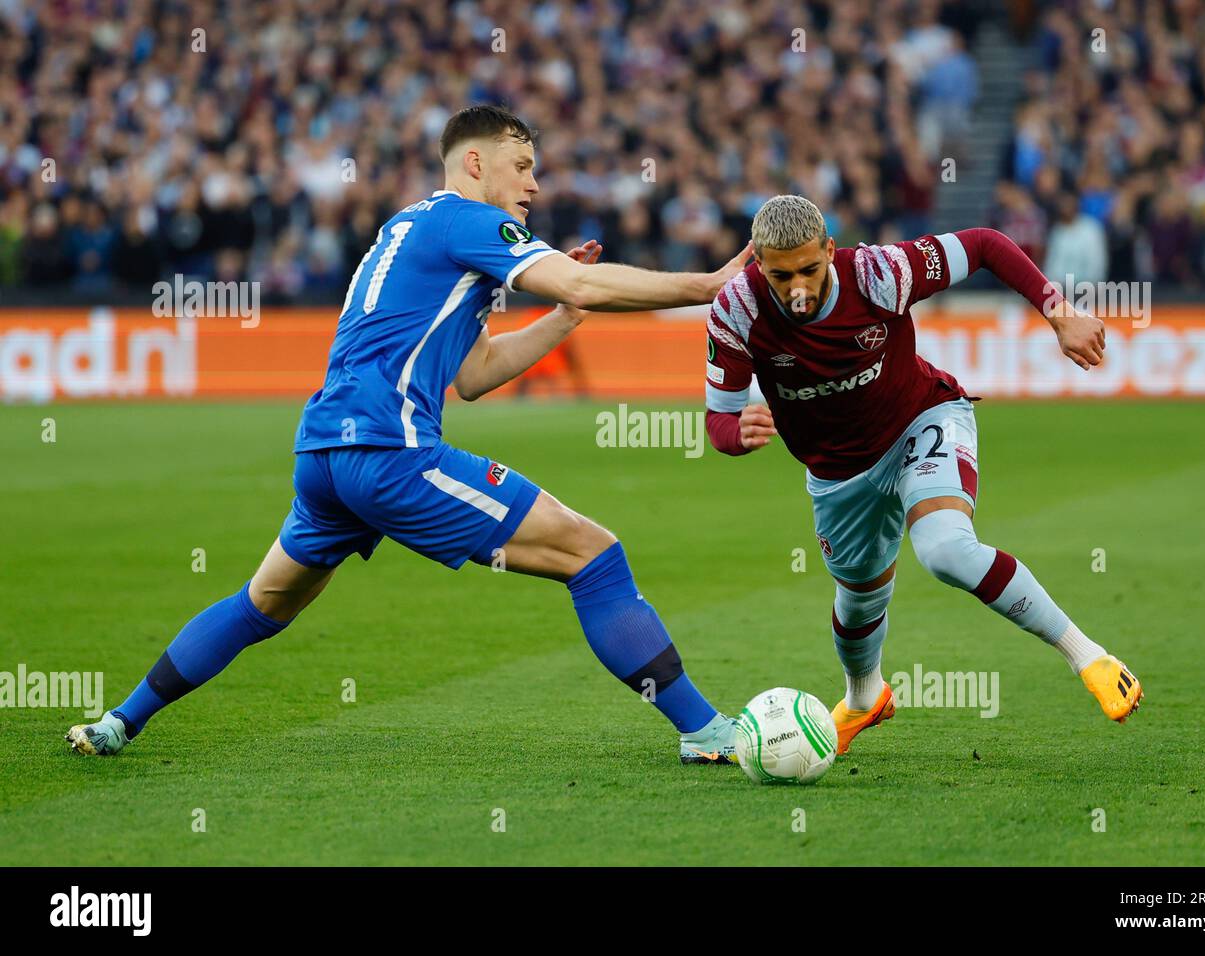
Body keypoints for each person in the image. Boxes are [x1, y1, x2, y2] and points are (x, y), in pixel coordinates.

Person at [67, 105, 752, 766]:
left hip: (323, 457)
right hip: (392, 455)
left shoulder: (403, 231)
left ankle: (118, 721)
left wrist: (564, 316)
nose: (534, 184)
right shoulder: (468, 220)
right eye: (522, 166)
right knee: (595, 558)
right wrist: (710, 284)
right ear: (476, 163)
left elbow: (477, 374)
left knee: (260, 604)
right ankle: (706, 731)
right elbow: (582, 277)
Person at [703, 194, 1141, 756]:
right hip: (838, 473)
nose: (798, 289)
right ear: (756, 263)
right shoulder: (736, 310)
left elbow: (984, 244)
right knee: (858, 601)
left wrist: (1058, 312)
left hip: (920, 421)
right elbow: (719, 418)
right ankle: (865, 699)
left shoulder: (877, 273)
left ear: (830, 251)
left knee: (945, 550)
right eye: (781, 274)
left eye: (810, 270)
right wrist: (736, 437)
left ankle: (1091, 657)